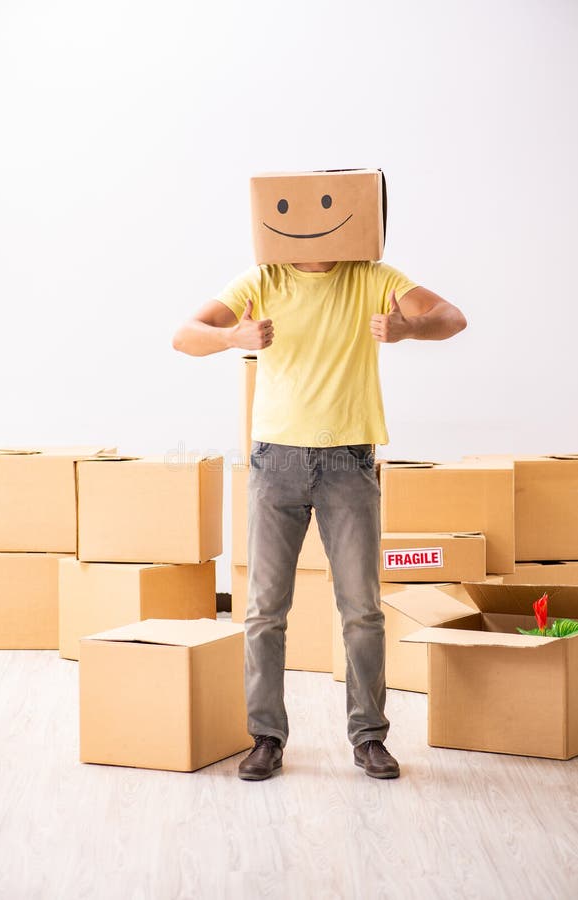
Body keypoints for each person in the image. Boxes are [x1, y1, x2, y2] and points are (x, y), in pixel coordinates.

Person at [172, 255, 467, 781]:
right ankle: (266, 737)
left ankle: (370, 738)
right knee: (264, 610)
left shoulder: (372, 276)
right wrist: (233, 338)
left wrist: (408, 328)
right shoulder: (263, 279)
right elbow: (184, 335)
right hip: (275, 461)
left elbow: (451, 316)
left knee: (362, 609)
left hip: (347, 462)